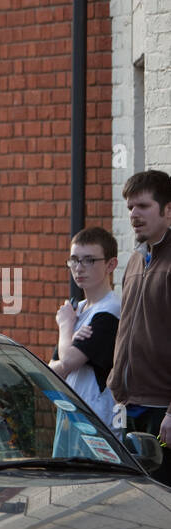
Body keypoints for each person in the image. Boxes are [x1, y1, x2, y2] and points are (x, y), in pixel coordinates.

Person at [110, 169, 171, 484]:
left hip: (161, 414)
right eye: (130, 207)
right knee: (133, 495)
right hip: (128, 406)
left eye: (143, 206)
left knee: (162, 496)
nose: (134, 214)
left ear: (167, 210)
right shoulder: (134, 260)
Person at [48, 227, 121, 456]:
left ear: (110, 265)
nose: (79, 268)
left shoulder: (110, 311)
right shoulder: (77, 309)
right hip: (71, 416)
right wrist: (69, 343)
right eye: (74, 260)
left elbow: (67, 360)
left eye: (89, 260)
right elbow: (51, 370)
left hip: (97, 422)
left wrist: (65, 328)